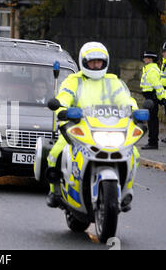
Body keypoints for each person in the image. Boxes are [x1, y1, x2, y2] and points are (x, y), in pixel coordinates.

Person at [45, 42, 139, 208]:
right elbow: (65, 95)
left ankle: (126, 191)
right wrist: (62, 106)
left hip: (110, 128)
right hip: (79, 127)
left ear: (105, 62)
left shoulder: (112, 81)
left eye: (99, 62)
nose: (96, 65)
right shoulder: (74, 80)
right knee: (56, 152)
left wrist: (134, 110)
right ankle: (55, 190)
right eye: (92, 62)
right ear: (84, 62)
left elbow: (125, 99)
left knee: (135, 153)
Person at [140, 51, 164, 150]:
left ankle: (153, 143)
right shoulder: (149, 69)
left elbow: (158, 86)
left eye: (145, 58)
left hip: (152, 99)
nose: (143, 59)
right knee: (151, 121)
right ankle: (152, 142)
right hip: (150, 98)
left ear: (150, 59)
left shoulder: (152, 70)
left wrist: (161, 98)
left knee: (152, 121)